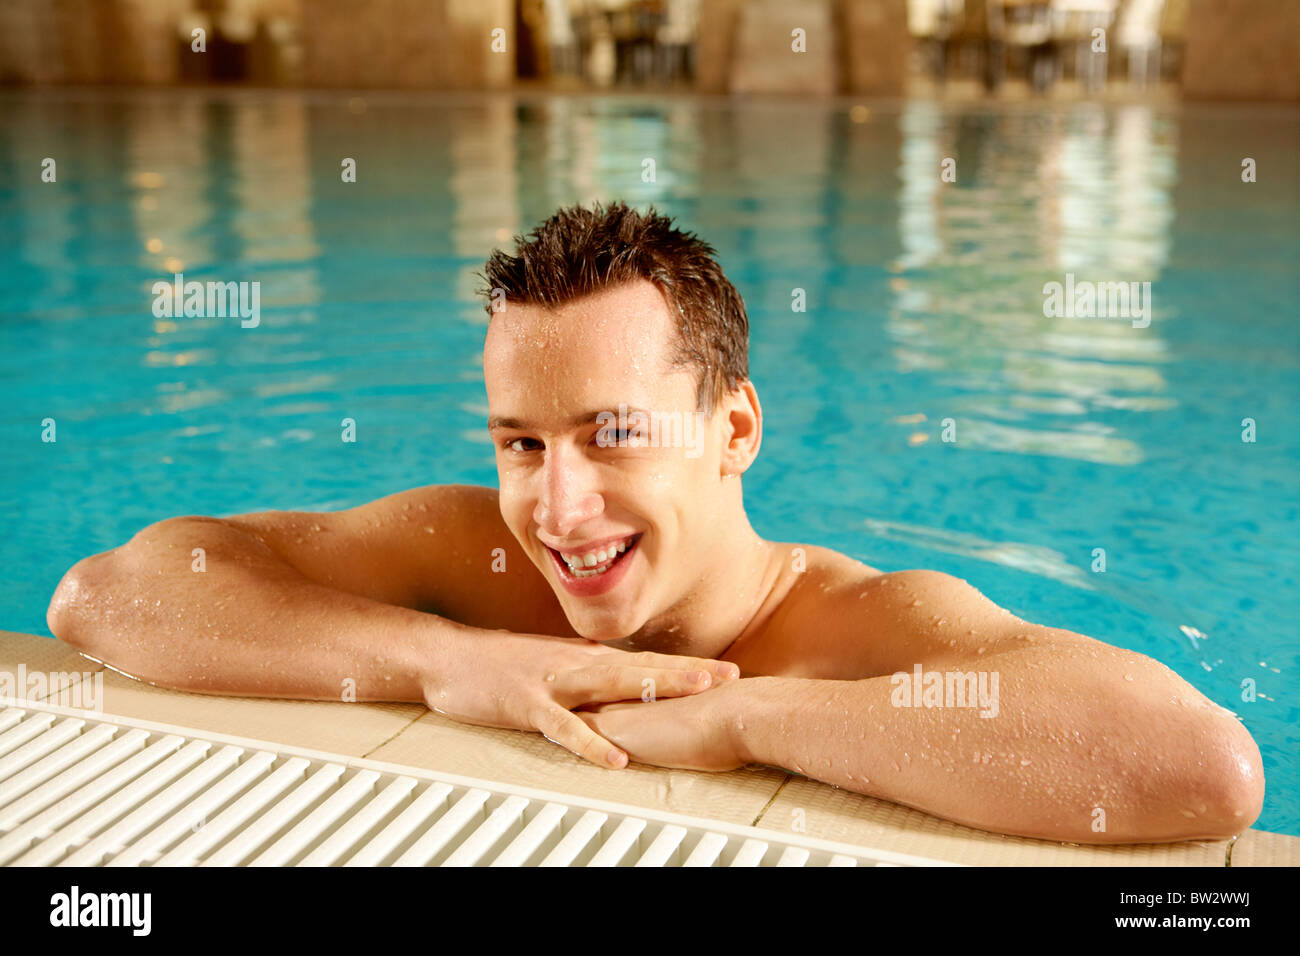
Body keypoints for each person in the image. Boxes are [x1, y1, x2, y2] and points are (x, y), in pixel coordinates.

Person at [47, 201, 1263, 844]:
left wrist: (742, 715)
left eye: (612, 433)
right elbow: (108, 594)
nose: (556, 510)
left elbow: (1199, 766)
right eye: (522, 442)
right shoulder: (466, 558)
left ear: (734, 431)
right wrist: (454, 660)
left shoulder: (859, 624)